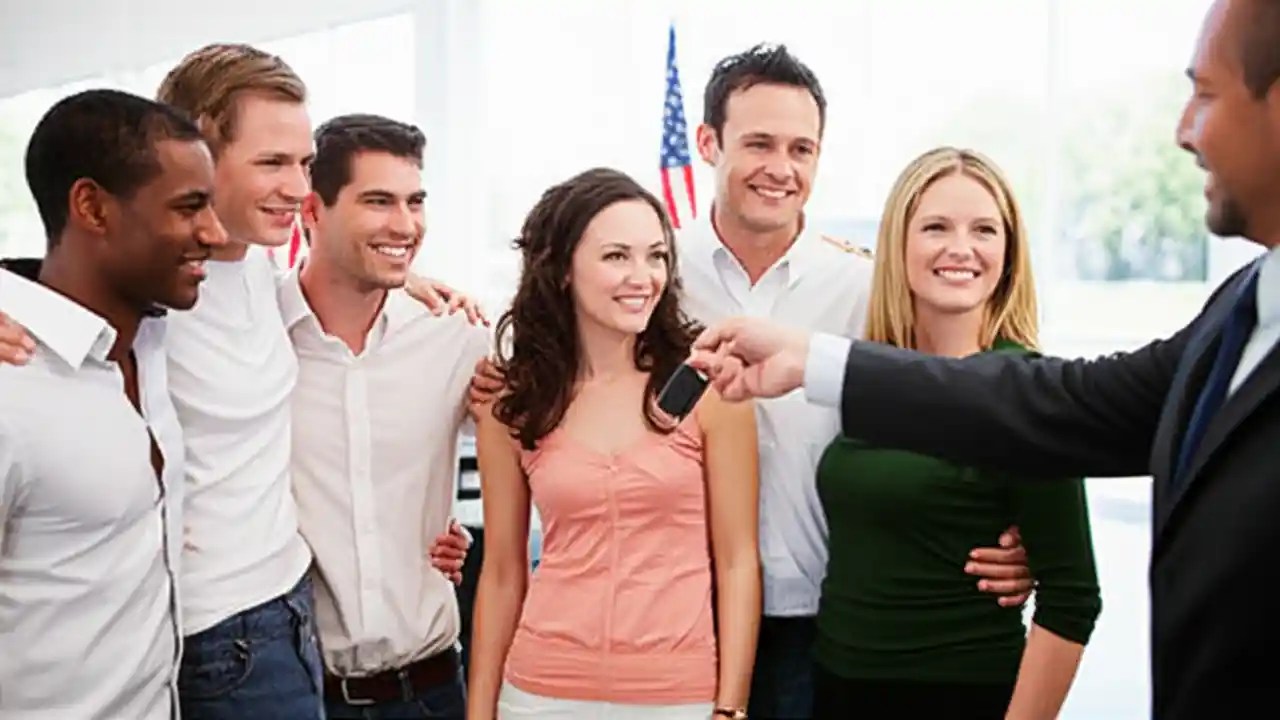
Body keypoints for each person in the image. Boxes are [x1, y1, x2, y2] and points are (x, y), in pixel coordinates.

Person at [686, 2, 1280, 717]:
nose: (1183, 130)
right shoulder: (1239, 310)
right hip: (751, 642)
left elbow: (1055, 501)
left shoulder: (858, 294)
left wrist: (813, 362)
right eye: (934, 227)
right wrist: (815, 363)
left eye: (1205, 94)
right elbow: (1064, 408)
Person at [468, 43, 1035, 719]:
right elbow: (550, 354)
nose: (781, 168)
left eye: (802, 149)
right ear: (709, 143)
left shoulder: (867, 292)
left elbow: (962, 390)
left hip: (827, 619)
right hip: (673, 628)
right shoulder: (652, 272)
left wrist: (1022, 523)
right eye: (759, 143)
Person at [811, 147, 1101, 719]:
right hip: (836, 685)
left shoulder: (1027, 392)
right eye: (936, 227)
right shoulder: (871, 375)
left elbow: (1072, 600)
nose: (961, 248)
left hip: (959, 693)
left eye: (984, 230)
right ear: (899, 243)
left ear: (1008, 252)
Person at [467, 167, 761, 720]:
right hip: (539, 693)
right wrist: (479, 711)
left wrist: (731, 708)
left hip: (678, 694)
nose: (643, 277)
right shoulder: (512, 399)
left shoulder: (708, 385)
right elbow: (503, 572)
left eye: (656, 256)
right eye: (617, 256)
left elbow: (738, 561)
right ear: (561, 269)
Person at [0, 89, 225, 718]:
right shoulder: (12, 387)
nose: (215, 232)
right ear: (93, 208)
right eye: (189, 207)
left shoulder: (149, 339)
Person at [281, 113, 488, 718]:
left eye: (414, 202)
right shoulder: (253, 338)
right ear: (311, 210)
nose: (405, 224)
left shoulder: (458, 336)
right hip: (293, 692)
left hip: (429, 693)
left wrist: (467, 532)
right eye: (378, 202)